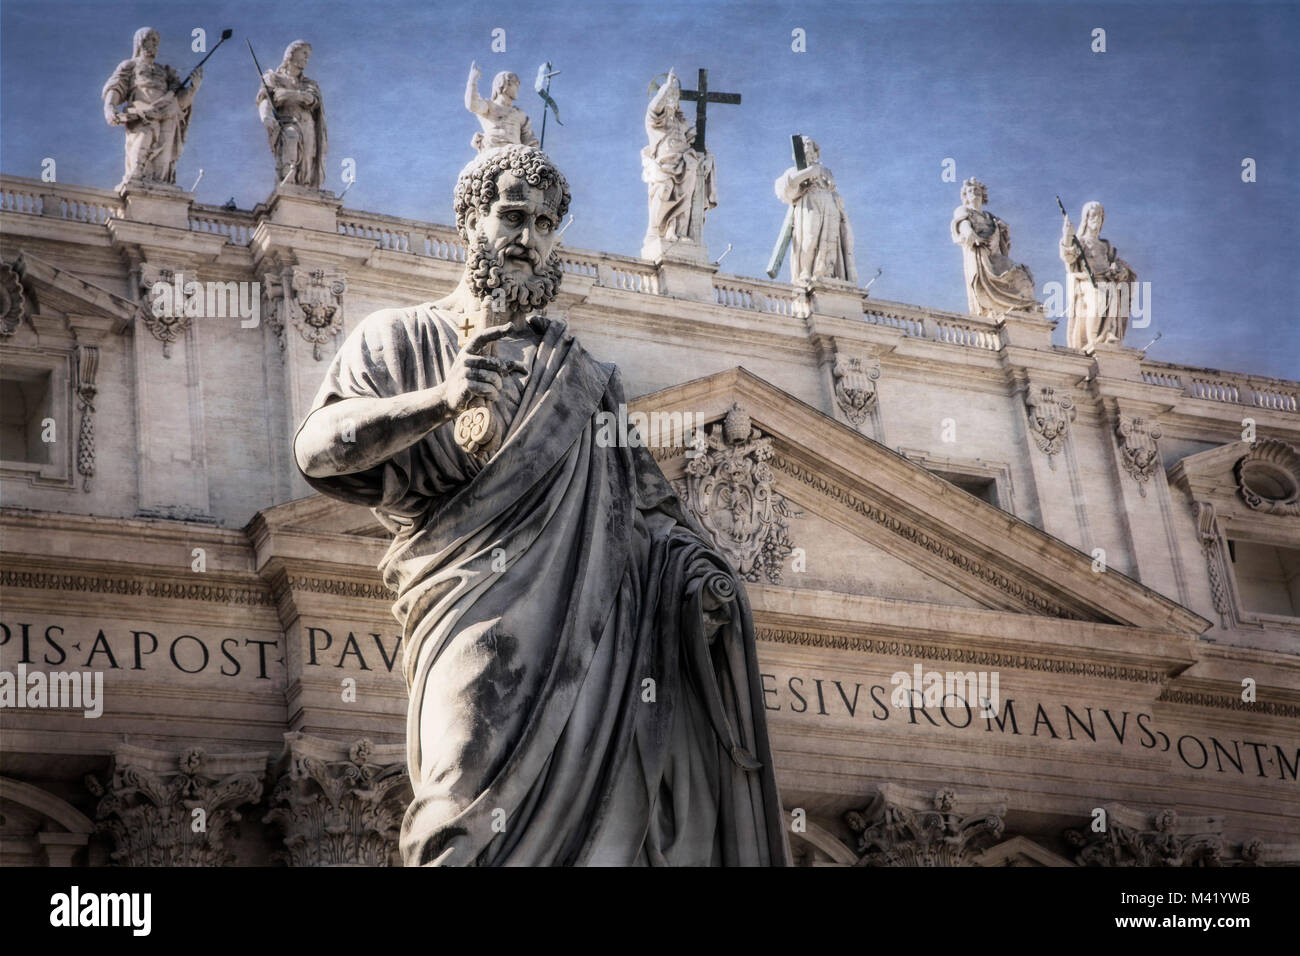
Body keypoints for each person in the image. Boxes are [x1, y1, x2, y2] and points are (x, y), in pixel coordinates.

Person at [293, 145, 788, 867]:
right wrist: (439, 400)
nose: (529, 236)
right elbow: (317, 451)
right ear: (471, 222)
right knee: (454, 817)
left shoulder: (587, 380)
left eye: (547, 223)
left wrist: (698, 581)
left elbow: (650, 519)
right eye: (513, 215)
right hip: (467, 618)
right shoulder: (401, 337)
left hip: (590, 647)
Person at [102, 28, 202, 189]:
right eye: (151, 40)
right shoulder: (130, 65)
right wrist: (109, 107)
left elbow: (179, 101)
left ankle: (161, 189)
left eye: (157, 41)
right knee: (140, 149)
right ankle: (136, 186)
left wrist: (192, 89)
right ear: (141, 42)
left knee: (163, 159)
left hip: (167, 115)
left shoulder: (165, 71)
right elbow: (116, 87)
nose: (155, 44)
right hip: (142, 114)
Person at [642, 70, 715, 243]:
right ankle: (655, 230)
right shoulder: (655, 121)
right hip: (664, 164)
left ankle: (676, 232)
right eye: (669, 96)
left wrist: (708, 157)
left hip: (685, 163)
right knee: (664, 189)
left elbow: (698, 141)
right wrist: (667, 87)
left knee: (685, 196)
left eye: (675, 96)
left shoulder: (681, 124)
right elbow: (654, 107)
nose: (673, 99)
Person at [774, 136, 858, 284]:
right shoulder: (793, 170)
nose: (807, 148)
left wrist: (837, 200)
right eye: (804, 146)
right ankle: (805, 271)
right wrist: (808, 173)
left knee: (831, 238)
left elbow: (833, 188)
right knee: (810, 236)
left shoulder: (826, 172)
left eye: (810, 145)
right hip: (809, 203)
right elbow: (785, 189)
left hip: (829, 204)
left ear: (815, 151)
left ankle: (827, 272)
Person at [949, 178, 1038, 315]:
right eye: (970, 191)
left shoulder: (990, 216)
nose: (974, 193)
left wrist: (1003, 229)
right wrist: (971, 234)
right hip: (979, 251)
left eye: (977, 190)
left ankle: (1026, 305)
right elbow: (962, 224)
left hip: (995, 253)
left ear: (982, 194)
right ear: (965, 196)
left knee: (1018, 273)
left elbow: (1003, 235)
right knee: (983, 282)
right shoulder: (963, 210)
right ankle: (995, 309)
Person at [1061, 201, 1137, 350]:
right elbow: (1069, 257)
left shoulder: (1105, 245)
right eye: (1093, 216)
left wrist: (1118, 269)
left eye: (1100, 216)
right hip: (1088, 282)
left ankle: (1107, 335)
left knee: (1112, 302)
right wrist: (1067, 236)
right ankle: (1094, 341)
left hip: (1107, 280)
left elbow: (1115, 262)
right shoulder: (1080, 242)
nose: (1097, 219)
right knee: (1097, 301)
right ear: (1086, 218)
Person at [257, 40, 328, 189]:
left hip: (307, 125)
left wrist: (286, 95)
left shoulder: (310, 83)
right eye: (304, 54)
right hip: (287, 121)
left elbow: (312, 100)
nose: (306, 58)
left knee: (307, 162)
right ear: (291, 54)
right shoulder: (273, 78)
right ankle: (287, 181)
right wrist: (265, 117)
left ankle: (305, 189)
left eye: (308, 56)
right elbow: (265, 100)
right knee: (290, 138)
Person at [464, 62, 538, 152]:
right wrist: (472, 80)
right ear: (504, 84)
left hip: (515, 155)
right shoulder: (489, 106)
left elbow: (529, 141)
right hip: (492, 153)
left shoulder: (519, 113)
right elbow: (472, 105)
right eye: (515, 84)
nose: (517, 88)